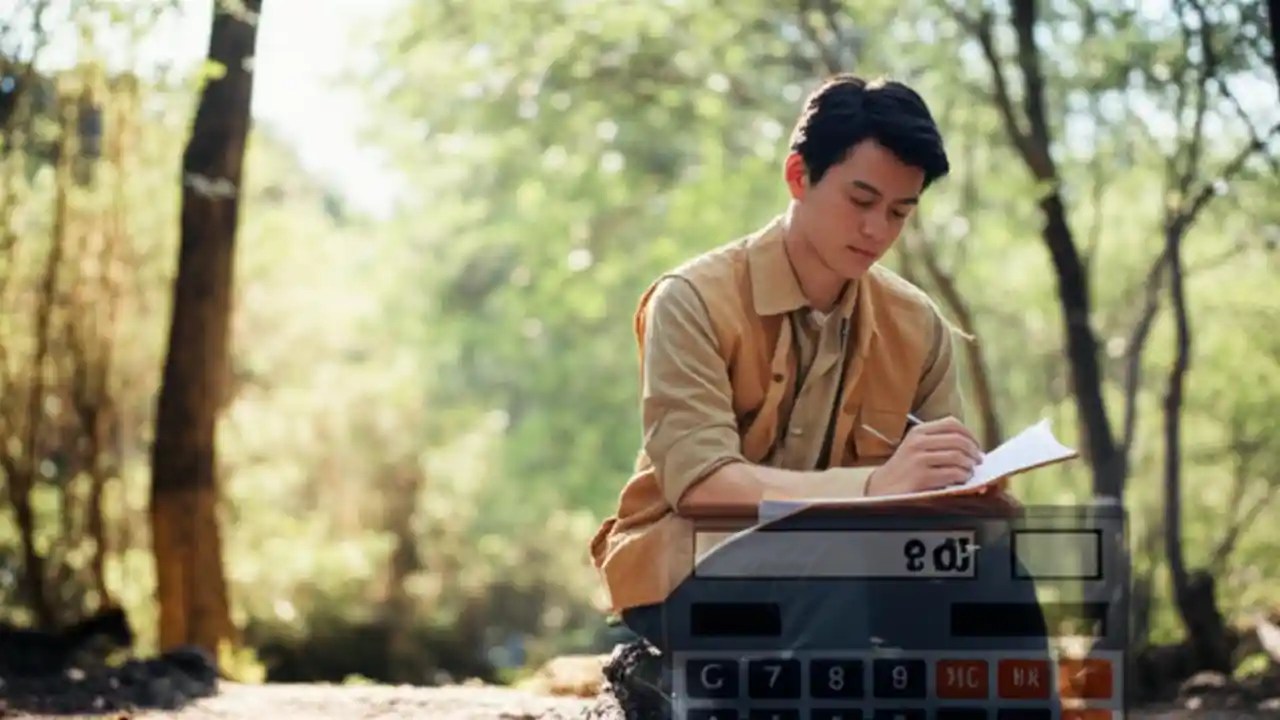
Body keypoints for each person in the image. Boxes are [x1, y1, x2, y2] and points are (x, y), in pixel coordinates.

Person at [588, 75, 1039, 712]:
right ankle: (693, 684)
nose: (877, 229)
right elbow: (701, 485)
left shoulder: (918, 326)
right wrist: (873, 487)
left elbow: (936, 489)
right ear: (798, 176)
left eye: (900, 212)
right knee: (827, 567)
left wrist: (970, 498)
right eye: (862, 199)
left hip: (849, 572)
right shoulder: (692, 302)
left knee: (990, 571)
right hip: (687, 570)